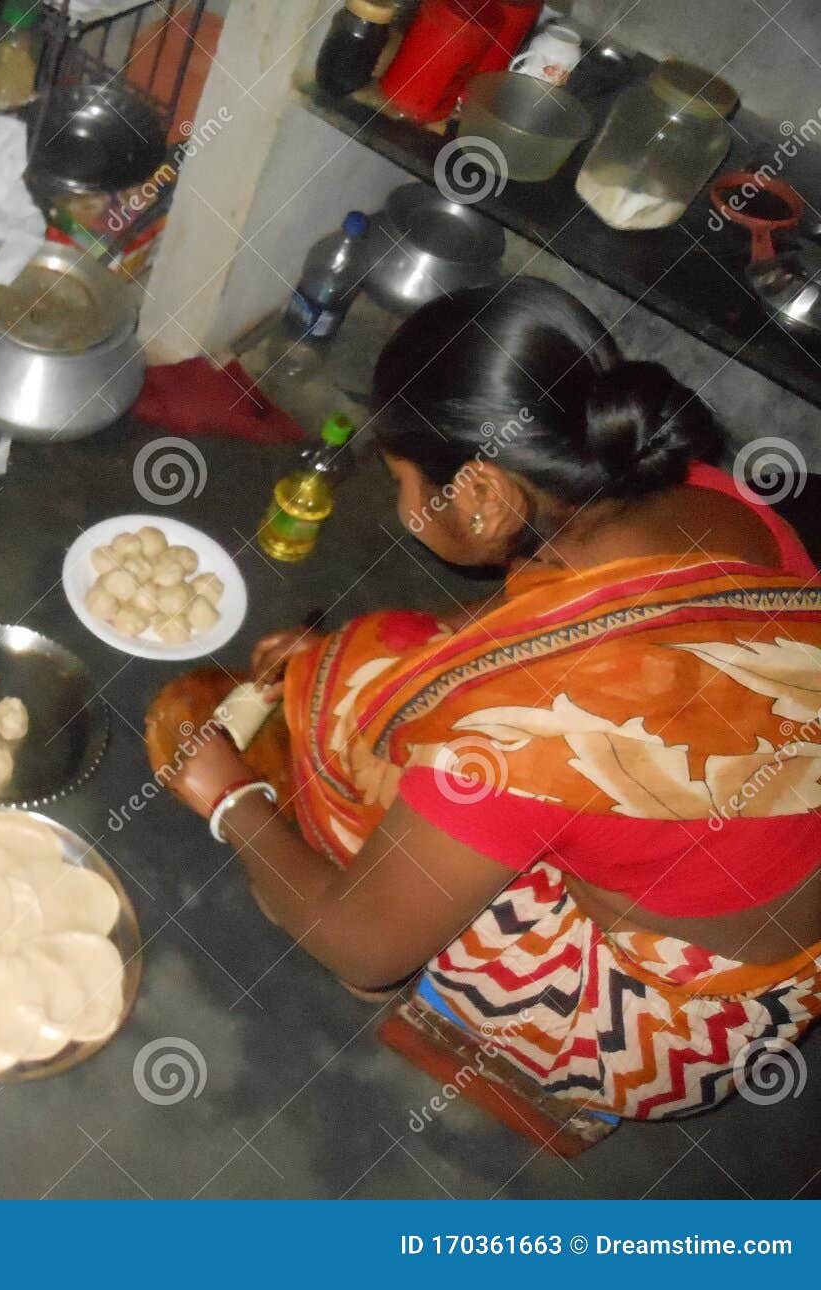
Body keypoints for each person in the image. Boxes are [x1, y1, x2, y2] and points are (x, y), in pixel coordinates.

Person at [146, 279, 821, 1121]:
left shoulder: (522, 728)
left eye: (400, 479)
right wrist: (373, 659)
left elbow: (368, 951)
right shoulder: (697, 498)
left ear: (483, 497)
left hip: (667, 1023)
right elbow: (536, 616)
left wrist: (229, 799)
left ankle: (473, 985)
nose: (398, 506)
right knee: (366, 666)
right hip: (783, 905)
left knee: (348, 734)